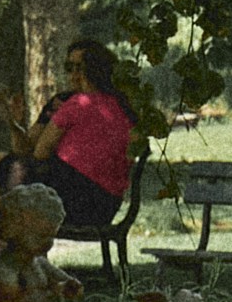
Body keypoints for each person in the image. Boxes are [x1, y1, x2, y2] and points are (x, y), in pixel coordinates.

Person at [23, 38, 144, 255]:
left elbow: (40, 152)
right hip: (106, 207)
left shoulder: (77, 105)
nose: (73, 74)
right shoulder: (124, 106)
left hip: (70, 205)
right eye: (69, 67)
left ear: (90, 71)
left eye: (80, 68)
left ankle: (17, 256)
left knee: (11, 169)